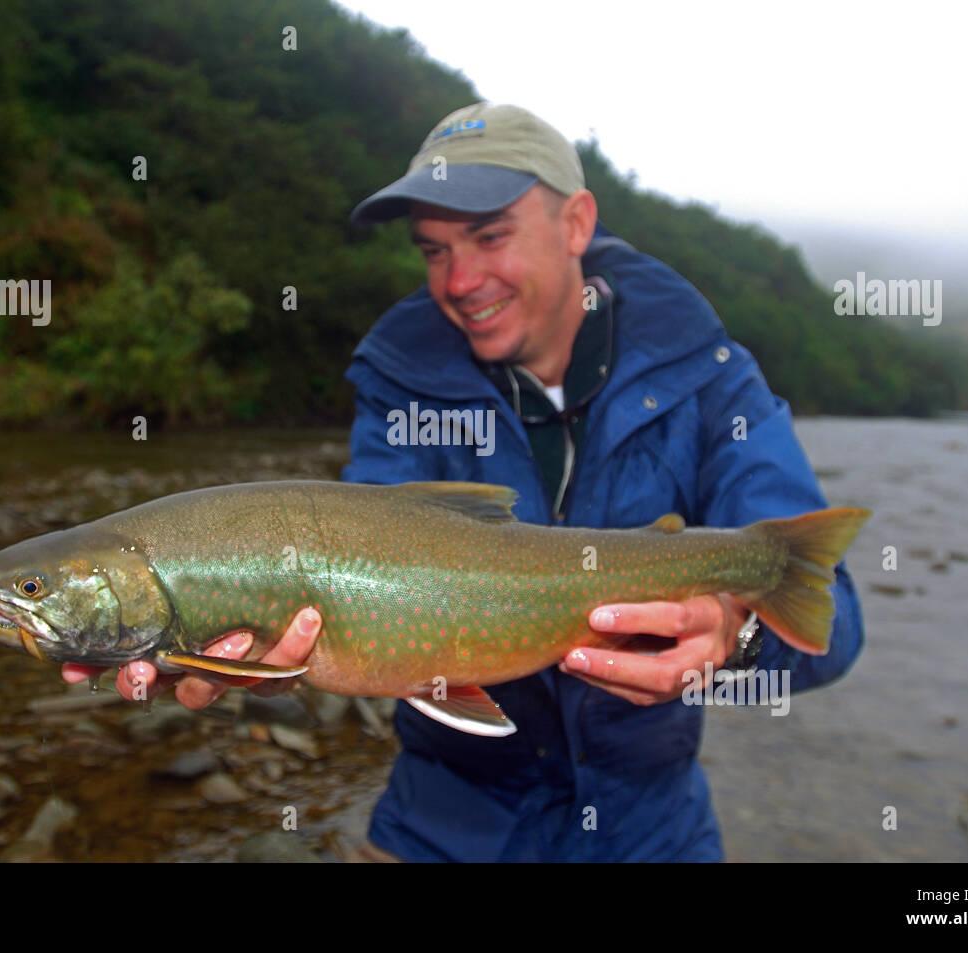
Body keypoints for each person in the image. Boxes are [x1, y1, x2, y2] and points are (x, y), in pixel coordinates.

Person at [65, 102, 864, 862]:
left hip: (651, 832)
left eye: (488, 236)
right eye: (434, 249)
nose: (458, 279)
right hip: (442, 826)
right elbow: (342, 574)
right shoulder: (401, 381)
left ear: (576, 223)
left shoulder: (712, 378)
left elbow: (835, 627)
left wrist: (734, 638)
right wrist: (211, 626)